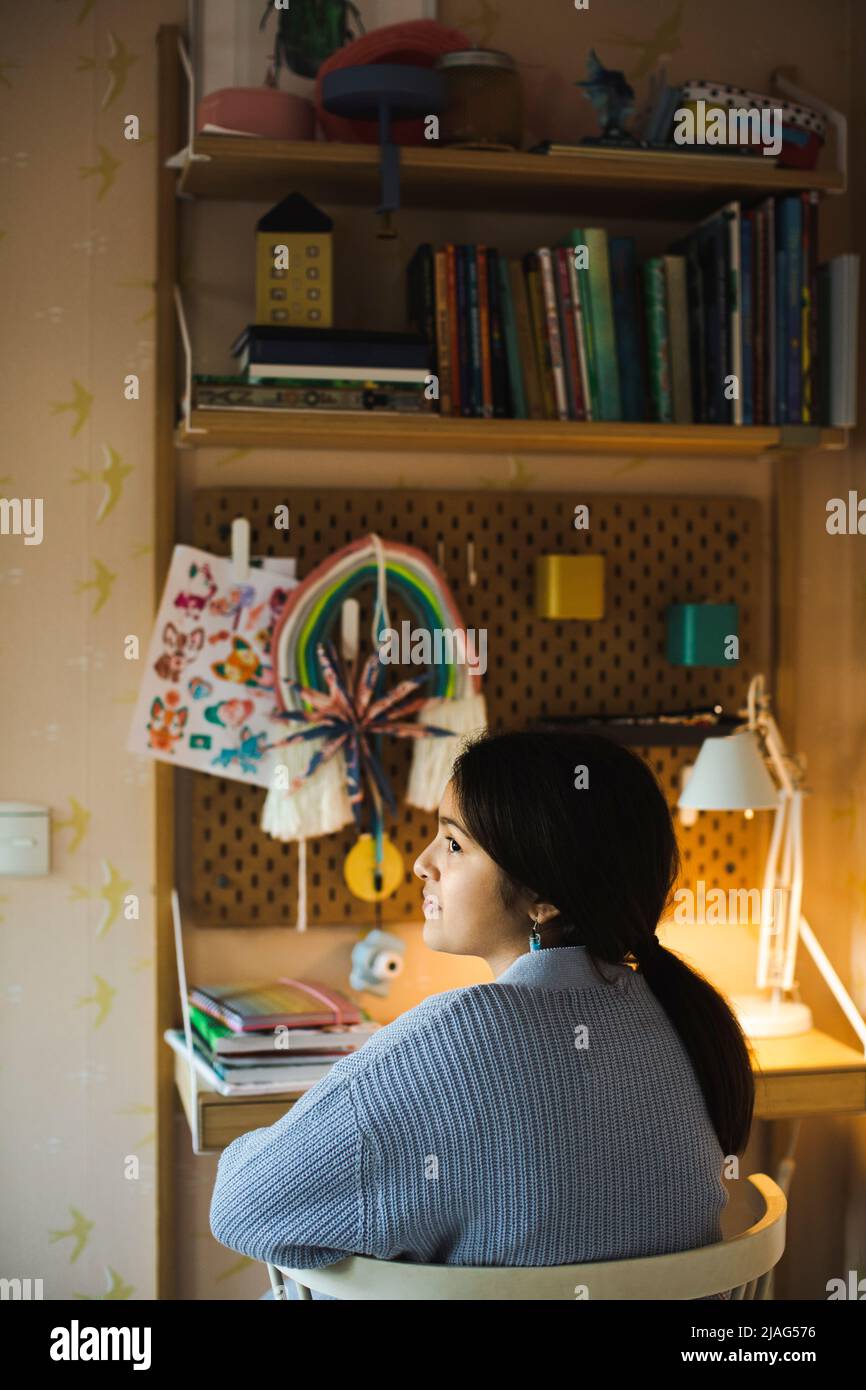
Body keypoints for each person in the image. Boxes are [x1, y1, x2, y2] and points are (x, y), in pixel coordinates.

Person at [210, 730, 755, 1300]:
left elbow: (241, 1206)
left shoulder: (448, 1043)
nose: (423, 863)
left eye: (453, 844)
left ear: (543, 897)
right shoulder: (675, 1017)